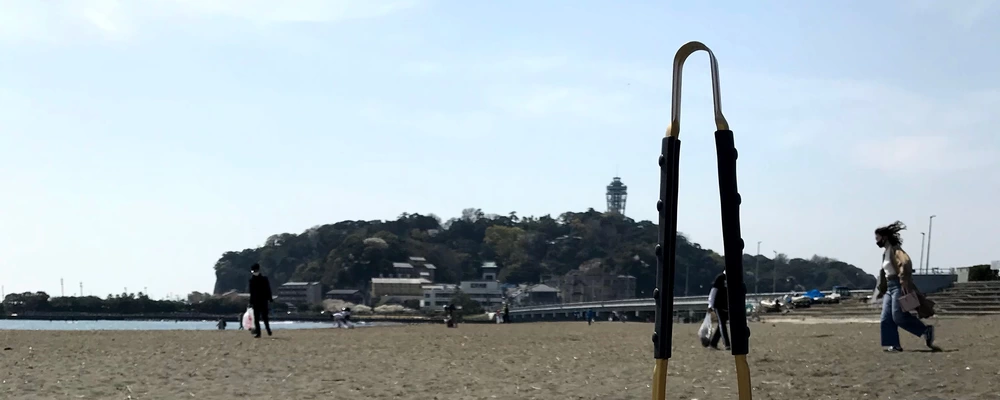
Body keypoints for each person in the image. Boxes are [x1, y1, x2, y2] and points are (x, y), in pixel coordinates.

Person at [873, 221, 938, 352]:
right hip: (890, 287)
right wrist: (881, 290)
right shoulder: (885, 252)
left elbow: (906, 262)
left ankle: (925, 330)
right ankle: (894, 345)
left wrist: (904, 281)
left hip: (898, 285)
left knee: (898, 316)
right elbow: (884, 273)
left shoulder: (895, 249)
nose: (876, 241)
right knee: (886, 318)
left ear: (884, 237)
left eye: (877, 238)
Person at [706, 270, 731, 351]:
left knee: (722, 324)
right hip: (718, 305)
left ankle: (713, 343)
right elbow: (713, 291)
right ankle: (727, 344)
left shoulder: (733, 277)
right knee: (722, 324)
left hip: (727, 305)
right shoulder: (720, 278)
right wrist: (710, 304)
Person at [247, 263, 274, 338]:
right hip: (260, 301)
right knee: (259, 318)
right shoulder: (256, 280)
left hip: (260, 301)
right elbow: (251, 292)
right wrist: (270, 298)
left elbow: (267, 289)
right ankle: (261, 332)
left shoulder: (257, 280)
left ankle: (266, 330)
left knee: (262, 317)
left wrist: (270, 298)